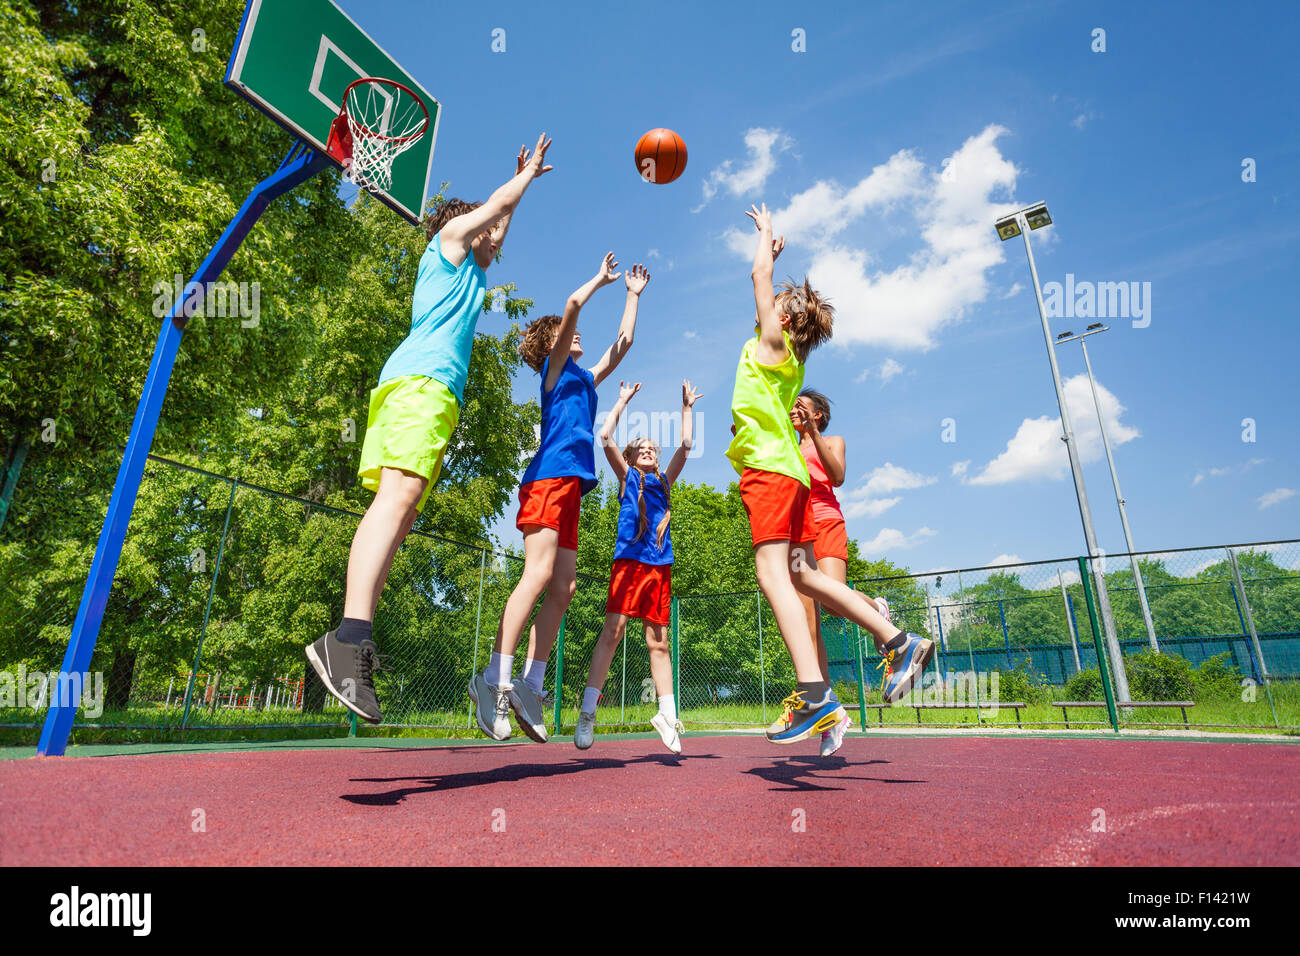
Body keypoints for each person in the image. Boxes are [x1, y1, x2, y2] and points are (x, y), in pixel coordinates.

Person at [307, 136, 553, 724]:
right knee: (395, 500)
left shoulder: (472, 272)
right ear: (464, 229)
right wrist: (523, 180)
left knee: (403, 508)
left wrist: (514, 199)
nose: (496, 239)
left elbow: (497, 224)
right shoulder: (446, 246)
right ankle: (348, 637)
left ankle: (353, 637)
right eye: (488, 230)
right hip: (419, 384)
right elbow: (490, 213)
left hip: (432, 393)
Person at [726, 202, 934, 746]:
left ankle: (814, 695)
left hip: (771, 473)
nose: (764, 306)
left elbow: (756, 277)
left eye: (773, 306)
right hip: (791, 477)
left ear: (785, 321)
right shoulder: (788, 359)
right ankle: (897, 640)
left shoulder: (771, 347)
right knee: (800, 575)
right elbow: (764, 289)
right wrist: (772, 262)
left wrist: (765, 240)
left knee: (774, 575)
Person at [469, 254, 650, 741]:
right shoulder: (554, 374)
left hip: (571, 487)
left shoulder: (586, 381)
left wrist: (632, 295)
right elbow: (572, 303)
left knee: (563, 588)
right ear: (552, 344)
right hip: (547, 479)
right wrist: (601, 279)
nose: (577, 336)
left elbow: (623, 344)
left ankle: (531, 683)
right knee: (538, 574)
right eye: (568, 333)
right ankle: (493, 678)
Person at [574, 379, 701, 753]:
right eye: (641, 448)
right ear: (631, 459)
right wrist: (622, 400)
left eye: (652, 449)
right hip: (629, 563)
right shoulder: (628, 477)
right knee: (613, 632)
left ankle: (666, 714)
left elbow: (687, 445)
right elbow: (605, 436)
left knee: (658, 642)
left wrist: (687, 408)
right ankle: (587, 713)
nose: (648, 451)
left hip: (659, 565)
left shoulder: (663, 481)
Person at [791, 389, 895, 756]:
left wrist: (811, 436)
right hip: (796, 531)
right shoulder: (786, 445)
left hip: (826, 521)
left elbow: (837, 477)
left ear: (817, 415)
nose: (794, 411)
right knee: (809, 627)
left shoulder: (832, 439)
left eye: (801, 407)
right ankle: (828, 712)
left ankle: (876, 608)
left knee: (833, 599)